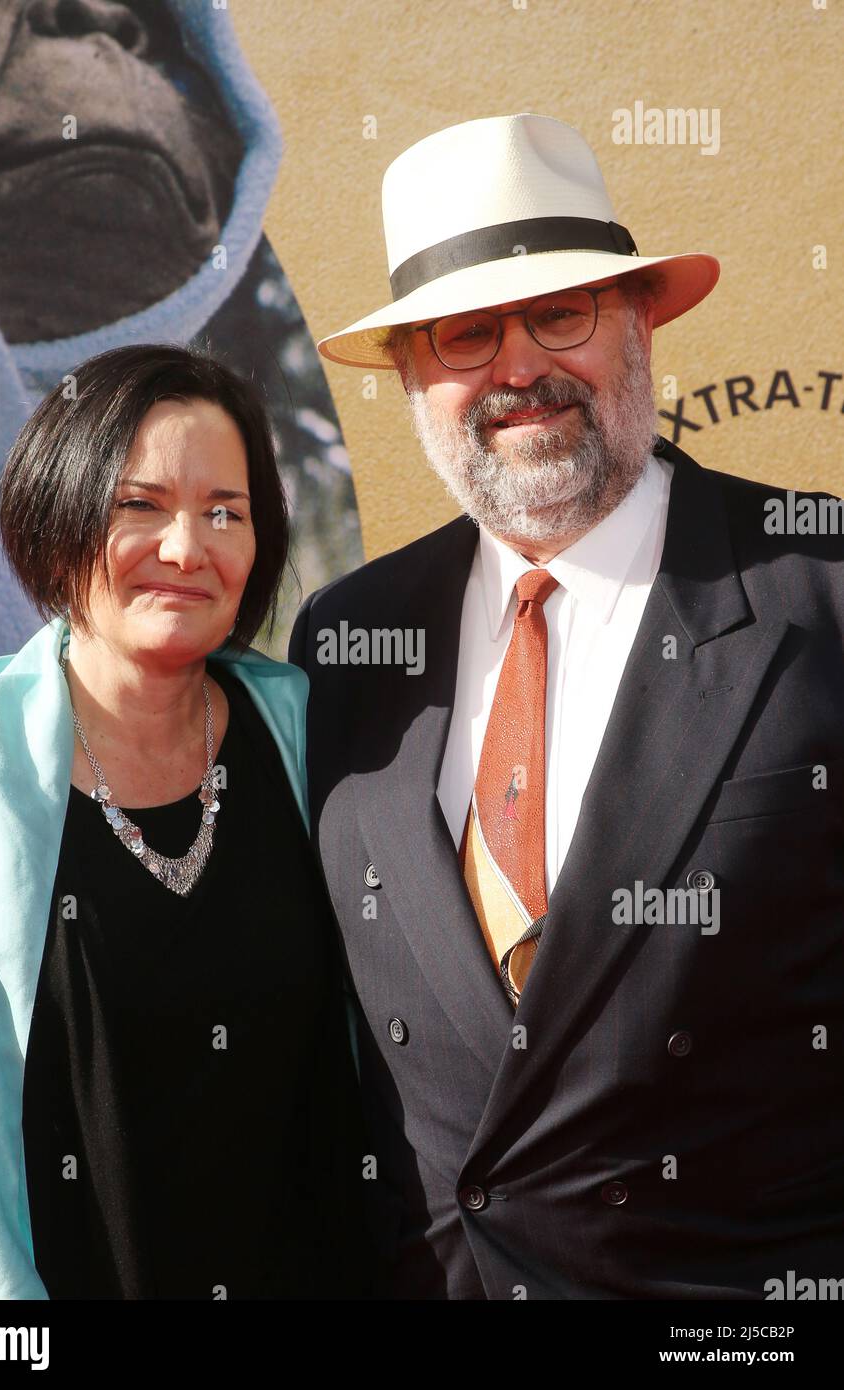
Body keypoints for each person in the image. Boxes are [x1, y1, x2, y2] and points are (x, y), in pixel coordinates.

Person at [289, 113, 844, 1299]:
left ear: (640, 320)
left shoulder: (822, 583)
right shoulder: (345, 640)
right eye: (466, 333)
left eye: (560, 314)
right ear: (409, 377)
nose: (519, 366)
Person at [0, 343, 371, 1300]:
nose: (187, 549)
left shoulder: (318, 736)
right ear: (57, 517)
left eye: (224, 514)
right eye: (139, 506)